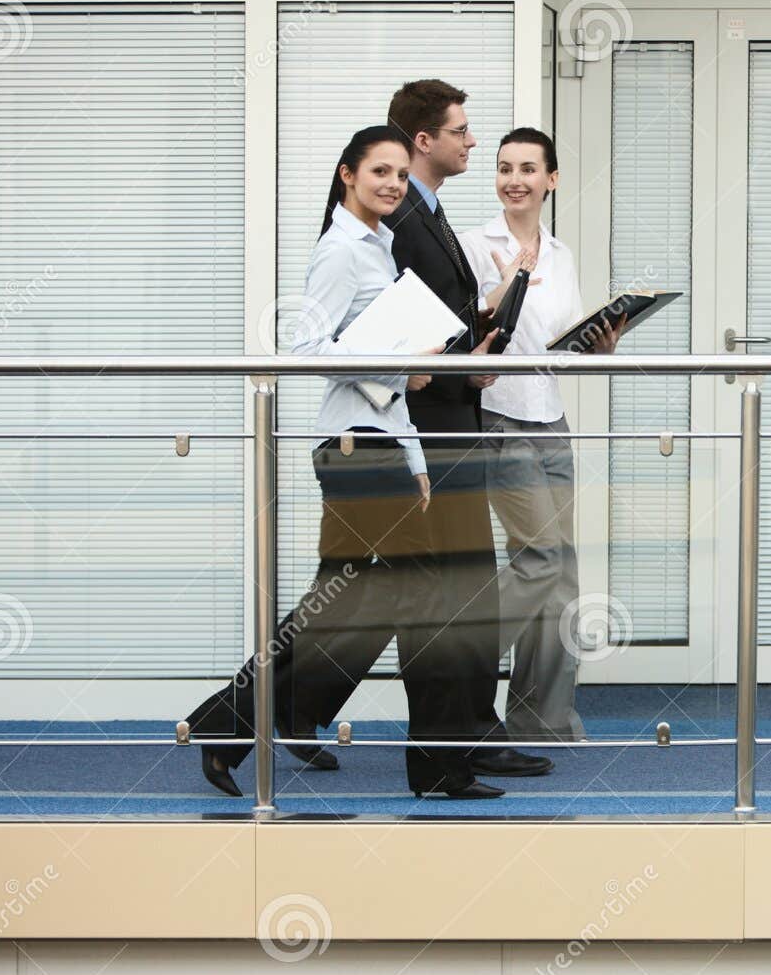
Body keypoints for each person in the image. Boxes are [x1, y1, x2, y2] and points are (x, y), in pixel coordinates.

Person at [185, 125, 502, 800]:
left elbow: (396, 371)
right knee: (421, 603)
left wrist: (415, 455)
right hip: (357, 449)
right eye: (378, 171)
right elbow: (305, 349)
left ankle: (233, 720)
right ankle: (436, 766)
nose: (391, 183)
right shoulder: (340, 251)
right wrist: (401, 370)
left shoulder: (381, 248)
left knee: (349, 607)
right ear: (346, 175)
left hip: (379, 445)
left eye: (396, 173)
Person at [380, 80, 554, 778]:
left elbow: (438, 321)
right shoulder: (400, 222)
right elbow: (394, 336)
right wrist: (462, 365)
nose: (473, 142)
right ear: (427, 139)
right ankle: (263, 713)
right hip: (428, 428)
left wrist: (481, 329)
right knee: (429, 596)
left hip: (455, 419)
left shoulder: (430, 214)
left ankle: (465, 738)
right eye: (461, 130)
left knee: (461, 590)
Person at [458, 127, 621, 743]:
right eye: (504, 168)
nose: (514, 179)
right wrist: (507, 284)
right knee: (538, 559)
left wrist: (601, 346)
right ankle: (455, 659)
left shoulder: (561, 254)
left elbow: (560, 349)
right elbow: (464, 332)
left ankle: (540, 720)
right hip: (497, 416)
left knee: (563, 574)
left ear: (551, 179)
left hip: (550, 416)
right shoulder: (474, 246)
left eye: (529, 168)